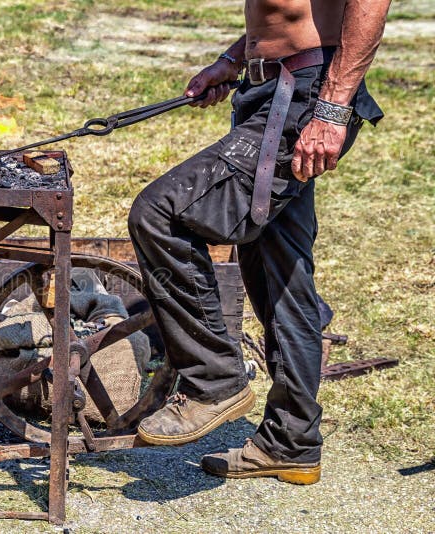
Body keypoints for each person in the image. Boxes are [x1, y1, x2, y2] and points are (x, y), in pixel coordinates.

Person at [128, 0, 389, 484]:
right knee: (278, 271)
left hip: (306, 97)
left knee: (160, 213)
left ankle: (215, 381)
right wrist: (234, 62)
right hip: (270, 90)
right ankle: (291, 443)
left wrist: (331, 110)